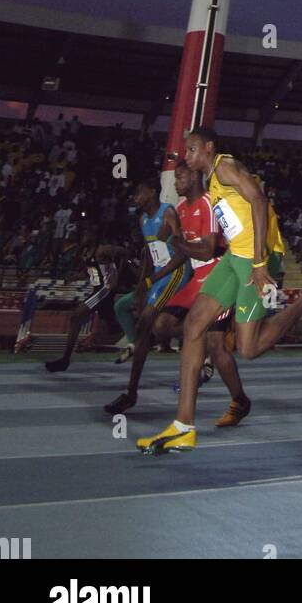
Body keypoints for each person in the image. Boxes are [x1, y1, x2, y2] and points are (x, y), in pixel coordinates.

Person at [137, 126, 302, 454]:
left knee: (248, 348)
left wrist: (261, 263)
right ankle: (182, 426)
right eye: (185, 151)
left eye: (191, 150)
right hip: (235, 256)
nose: (187, 156)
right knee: (194, 325)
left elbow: (259, 199)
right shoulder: (212, 181)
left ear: (207, 148)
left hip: (254, 260)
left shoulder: (224, 166)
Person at [105, 162, 247, 423]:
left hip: (218, 277)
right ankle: (135, 389)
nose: (175, 182)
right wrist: (150, 276)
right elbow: (177, 250)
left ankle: (239, 400)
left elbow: (206, 250)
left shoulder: (207, 203)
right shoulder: (180, 208)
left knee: (216, 345)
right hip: (195, 278)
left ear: (194, 177)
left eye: (179, 177)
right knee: (159, 324)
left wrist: (173, 243)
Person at [99, 178, 192, 405]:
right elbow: (150, 255)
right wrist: (141, 285)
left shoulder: (168, 213)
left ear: (152, 192)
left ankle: (131, 393)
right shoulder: (143, 220)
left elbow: (181, 255)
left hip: (177, 271)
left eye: (139, 192)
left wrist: (153, 279)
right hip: (159, 275)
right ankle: (131, 391)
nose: (136, 198)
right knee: (146, 325)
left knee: (147, 322)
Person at [44, 235, 123, 372]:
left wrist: (117, 274)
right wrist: (74, 278)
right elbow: (92, 274)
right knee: (84, 320)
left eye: (87, 234)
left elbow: (125, 252)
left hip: (105, 289)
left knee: (76, 316)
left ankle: (65, 360)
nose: (84, 237)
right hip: (99, 289)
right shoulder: (87, 253)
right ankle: (65, 359)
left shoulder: (102, 249)